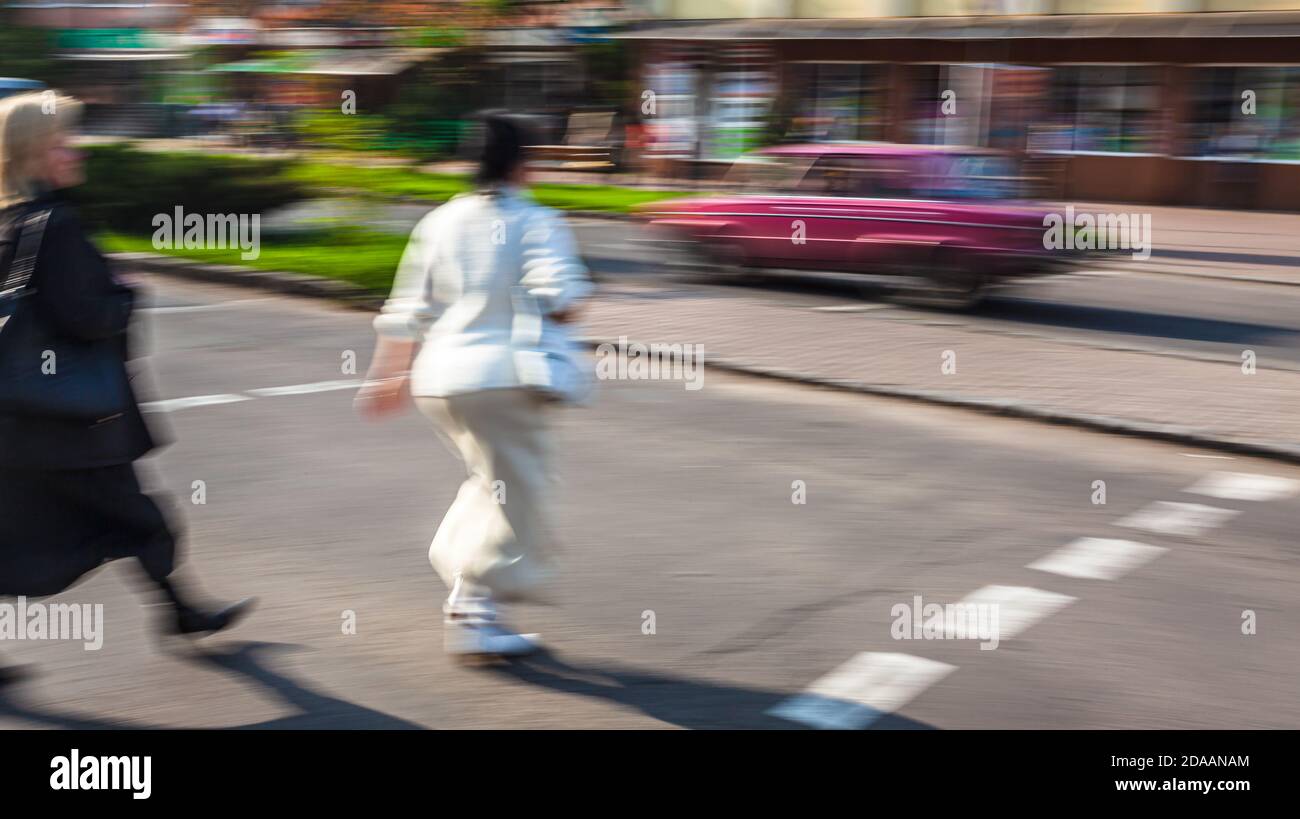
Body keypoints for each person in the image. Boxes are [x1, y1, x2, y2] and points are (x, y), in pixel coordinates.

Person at [0, 92, 253, 679]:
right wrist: (125, 292)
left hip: (22, 418)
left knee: (31, 530)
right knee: (136, 520)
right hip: (69, 423)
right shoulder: (55, 224)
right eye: (62, 141)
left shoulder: (10, 220)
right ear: (35, 153)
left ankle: (183, 609)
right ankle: (183, 611)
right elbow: (87, 316)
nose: (74, 149)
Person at [357, 112, 592, 658]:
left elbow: (405, 309)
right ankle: (472, 611)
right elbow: (563, 299)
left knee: (491, 482)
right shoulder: (537, 221)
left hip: (439, 380)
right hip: (503, 381)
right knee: (521, 497)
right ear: (523, 163)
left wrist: (388, 376)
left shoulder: (439, 221)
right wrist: (560, 307)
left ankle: (468, 599)